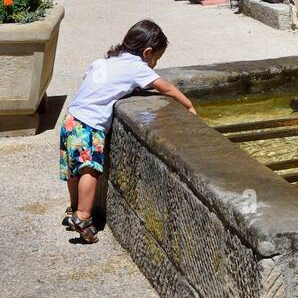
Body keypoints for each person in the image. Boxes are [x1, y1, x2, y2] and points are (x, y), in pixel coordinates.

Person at [59, 19, 196, 243]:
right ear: (147, 52)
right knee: (89, 170)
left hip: (72, 118)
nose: (153, 65)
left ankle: (74, 208)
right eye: (155, 59)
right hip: (91, 124)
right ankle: (83, 217)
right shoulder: (137, 67)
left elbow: (92, 79)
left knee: (74, 170)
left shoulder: (105, 61)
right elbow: (166, 88)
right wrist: (188, 105)